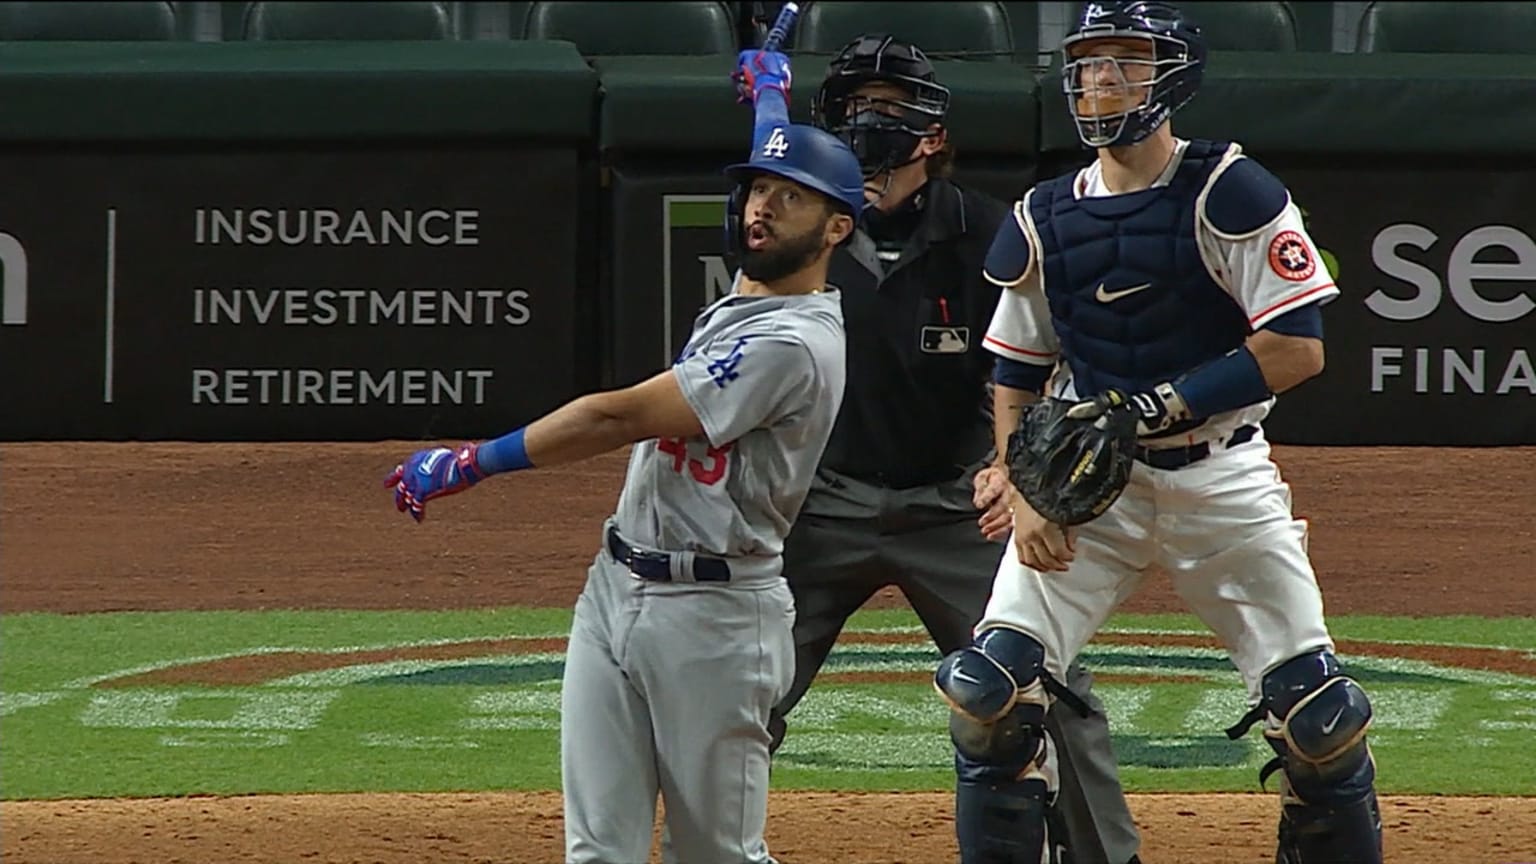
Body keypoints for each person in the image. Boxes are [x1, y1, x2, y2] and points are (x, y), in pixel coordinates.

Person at [385, 45, 864, 862]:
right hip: (614, 587)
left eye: (790, 198)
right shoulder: (757, 293)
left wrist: (474, 462)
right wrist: (770, 96)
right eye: (757, 189)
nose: (761, 208)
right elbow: (774, 163)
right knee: (597, 850)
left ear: (837, 229)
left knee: (716, 854)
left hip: (716, 617)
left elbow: (616, 417)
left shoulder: (794, 343)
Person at [932, 2, 1382, 863]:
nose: (1101, 80)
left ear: (1171, 77)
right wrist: (1022, 485)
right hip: (1091, 490)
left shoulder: (1230, 191)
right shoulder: (1044, 215)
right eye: (1089, 64)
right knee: (988, 694)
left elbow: (1296, 349)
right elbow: (1017, 372)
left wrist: (1153, 406)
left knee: (1320, 719)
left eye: (1126, 62)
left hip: (1221, 483)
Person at [761, 33, 1142, 864]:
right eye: (856, 106)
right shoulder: (803, 226)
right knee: (739, 691)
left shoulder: (989, 232)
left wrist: (1014, 472)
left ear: (932, 135)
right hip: (822, 505)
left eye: (889, 108)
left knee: (1045, 684)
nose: (869, 122)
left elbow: (1039, 368)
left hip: (958, 506)